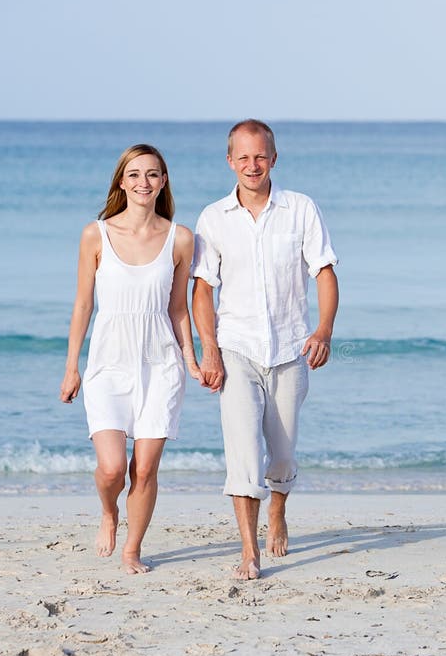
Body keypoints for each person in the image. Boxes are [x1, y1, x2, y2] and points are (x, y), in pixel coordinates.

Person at [192, 119, 338, 580]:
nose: (251, 165)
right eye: (243, 157)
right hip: (235, 347)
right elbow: (201, 290)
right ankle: (248, 549)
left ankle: (278, 510)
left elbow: (325, 272)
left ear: (273, 158)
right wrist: (209, 349)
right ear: (230, 161)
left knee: (282, 455)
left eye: (260, 156)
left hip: (290, 349)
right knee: (242, 453)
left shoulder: (300, 209)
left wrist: (324, 330)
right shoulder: (213, 218)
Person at [60, 143, 202, 574]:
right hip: (108, 364)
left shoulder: (180, 238)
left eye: (153, 174)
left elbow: (179, 308)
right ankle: (109, 513)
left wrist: (191, 361)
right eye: (135, 174)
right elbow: (83, 304)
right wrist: (72, 367)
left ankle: (132, 550)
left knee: (145, 470)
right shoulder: (95, 234)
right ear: (122, 182)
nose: (144, 182)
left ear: (163, 182)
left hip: (160, 364)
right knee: (112, 468)